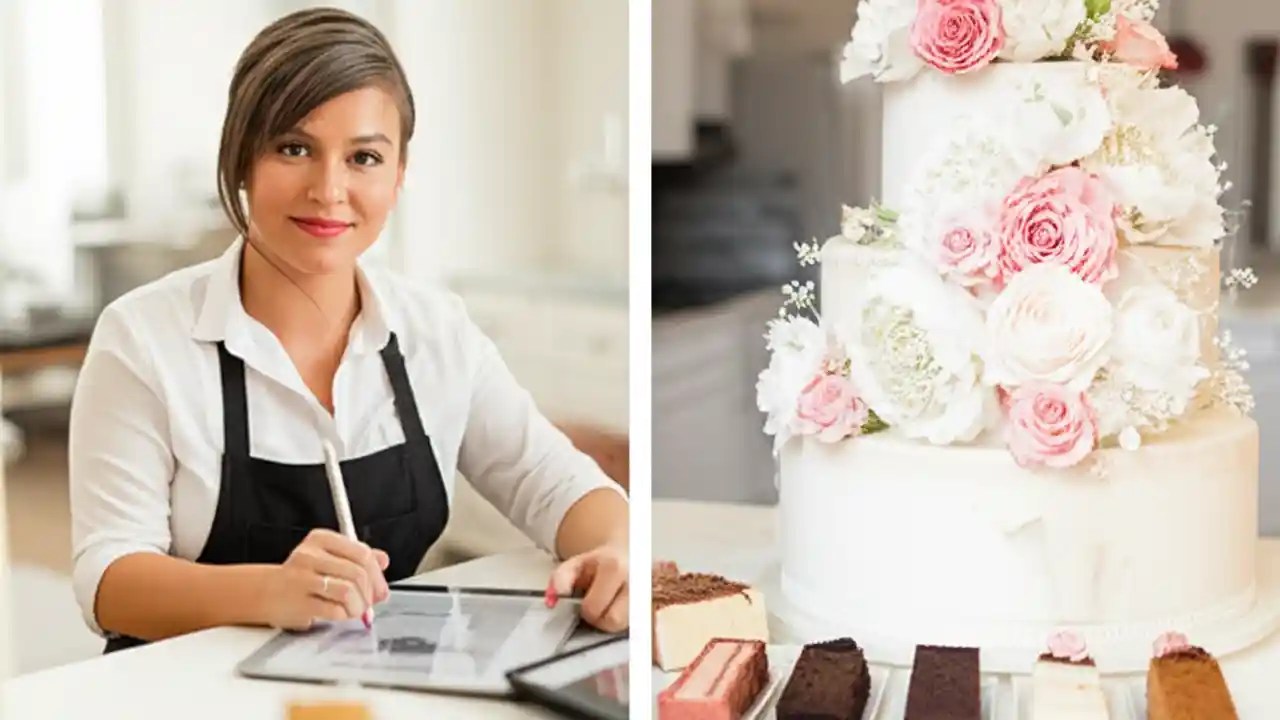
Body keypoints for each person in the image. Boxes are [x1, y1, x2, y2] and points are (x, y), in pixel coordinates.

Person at [68, 7, 629, 653]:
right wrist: (269, 593)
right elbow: (107, 577)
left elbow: (558, 483)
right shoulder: (141, 338)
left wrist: (615, 548)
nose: (329, 189)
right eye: (294, 148)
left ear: (398, 176)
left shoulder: (436, 330)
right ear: (242, 156)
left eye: (364, 157)